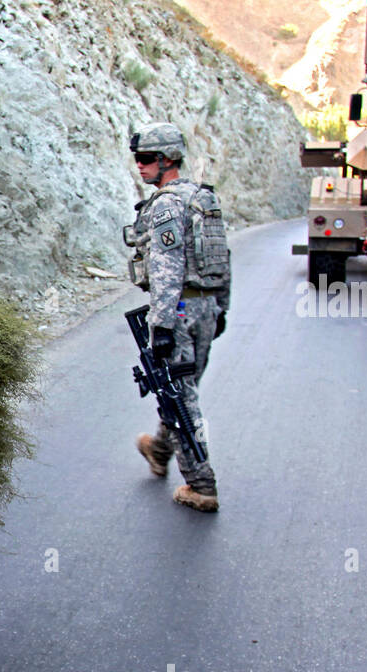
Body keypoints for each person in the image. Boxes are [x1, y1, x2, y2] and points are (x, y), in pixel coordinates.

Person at [127, 123, 231, 512]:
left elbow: (167, 265)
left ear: (167, 159)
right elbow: (223, 257)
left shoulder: (168, 203)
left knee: (179, 399)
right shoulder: (203, 199)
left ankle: (201, 485)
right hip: (205, 307)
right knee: (181, 388)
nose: (139, 166)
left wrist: (162, 324)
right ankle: (157, 451)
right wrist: (222, 306)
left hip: (179, 309)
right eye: (136, 159)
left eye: (146, 159)